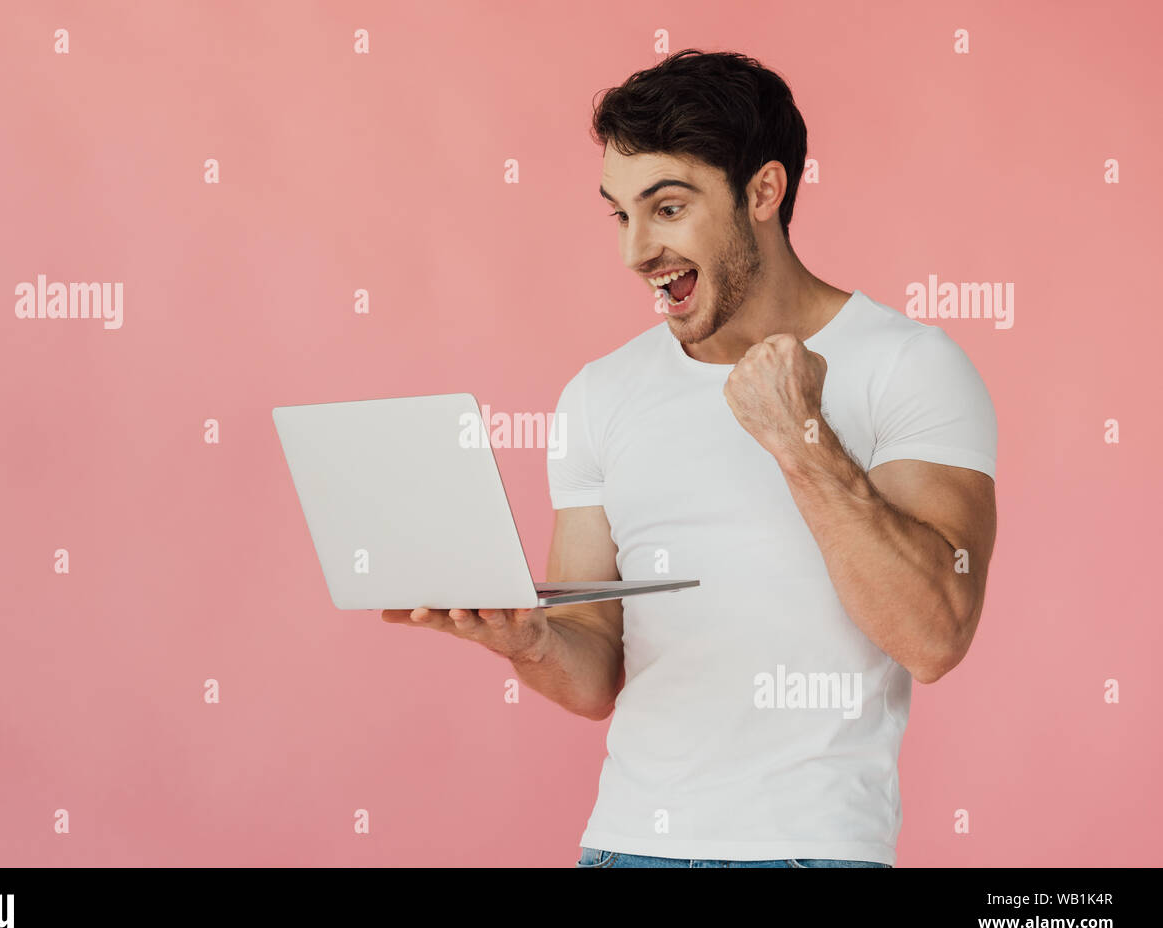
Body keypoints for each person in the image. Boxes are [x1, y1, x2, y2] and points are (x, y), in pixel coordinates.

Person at [382, 49, 998, 868]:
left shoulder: (910, 365)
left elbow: (934, 635)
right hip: (624, 846)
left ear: (764, 192)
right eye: (621, 214)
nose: (637, 250)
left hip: (814, 851)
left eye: (667, 208)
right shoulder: (600, 394)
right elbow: (595, 662)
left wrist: (799, 438)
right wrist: (524, 639)